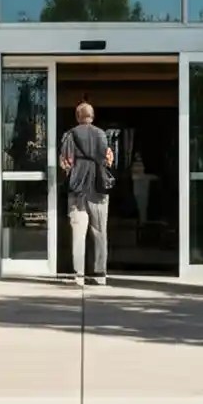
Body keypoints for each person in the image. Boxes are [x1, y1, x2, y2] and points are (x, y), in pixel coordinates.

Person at [59, 102, 114, 287]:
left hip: (77, 190)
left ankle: (79, 275)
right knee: (100, 232)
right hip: (99, 189)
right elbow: (108, 160)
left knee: (78, 233)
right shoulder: (102, 134)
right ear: (92, 116)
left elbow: (66, 163)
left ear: (77, 116)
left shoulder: (70, 135)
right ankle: (100, 274)